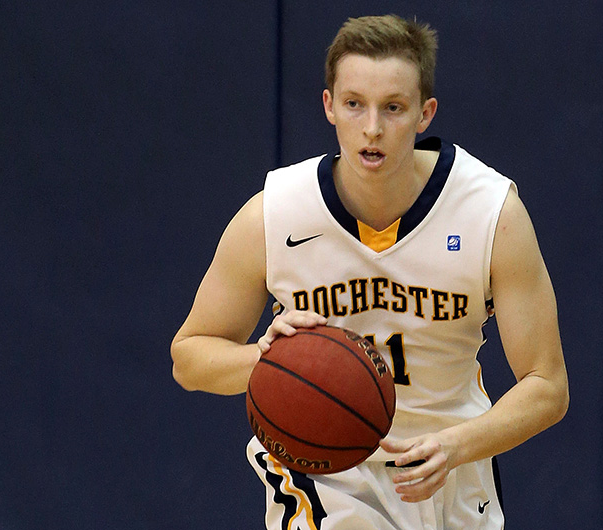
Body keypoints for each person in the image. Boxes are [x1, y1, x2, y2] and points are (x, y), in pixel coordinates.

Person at [171, 14, 568, 530]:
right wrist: (270, 360)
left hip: (449, 468)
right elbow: (189, 357)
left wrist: (455, 445)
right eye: (355, 104)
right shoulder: (275, 213)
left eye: (394, 108)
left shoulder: (490, 212)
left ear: (425, 114)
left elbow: (547, 386)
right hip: (324, 473)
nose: (372, 128)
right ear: (329, 105)